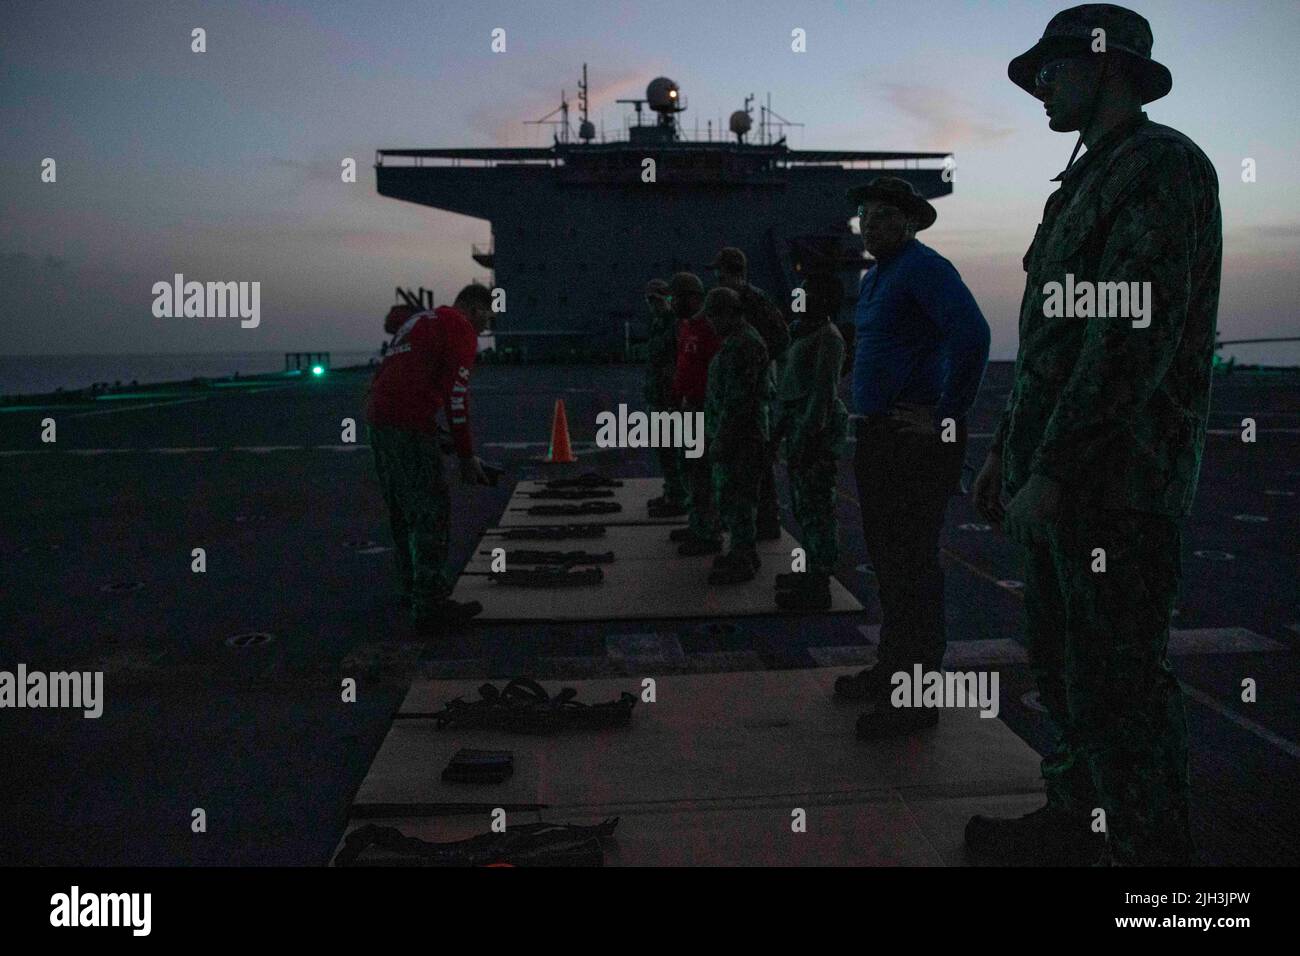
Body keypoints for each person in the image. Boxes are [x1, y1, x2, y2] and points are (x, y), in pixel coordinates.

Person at [966, 4, 1220, 867]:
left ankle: (1159, 879)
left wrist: (1061, 469)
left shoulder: (1161, 167)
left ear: (1105, 65)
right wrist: (1008, 450)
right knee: (1067, 673)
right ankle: (1076, 822)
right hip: (1061, 478)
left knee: (1120, 687)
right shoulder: (1085, 180)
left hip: (1116, 484)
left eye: (1055, 67)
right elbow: (1049, 345)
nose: (1040, 83)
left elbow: (1129, 336)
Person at [836, 175, 991, 740]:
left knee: (913, 567)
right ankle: (892, 672)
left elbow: (973, 333)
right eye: (865, 216)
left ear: (908, 222)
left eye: (882, 216)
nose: (870, 225)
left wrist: (946, 415)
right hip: (878, 438)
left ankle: (918, 697)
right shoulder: (878, 276)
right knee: (890, 562)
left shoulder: (925, 268)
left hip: (911, 442)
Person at [365, 284, 493, 631]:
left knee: (402, 510)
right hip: (406, 424)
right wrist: (466, 457)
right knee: (431, 510)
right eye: (487, 317)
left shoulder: (422, 320)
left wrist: (436, 436)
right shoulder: (460, 328)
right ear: (476, 308)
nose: (486, 326)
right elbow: (456, 398)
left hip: (380, 422)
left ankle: (410, 589)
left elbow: (396, 377)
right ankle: (431, 605)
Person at [772, 273, 850, 610]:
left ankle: (820, 584)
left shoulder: (829, 339)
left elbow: (822, 395)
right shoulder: (799, 332)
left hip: (813, 434)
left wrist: (805, 438)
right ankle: (810, 572)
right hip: (796, 426)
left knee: (818, 509)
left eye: (807, 294)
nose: (800, 299)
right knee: (804, 507)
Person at [710, 246, 790, 540]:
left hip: (755, 383)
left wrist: (759, 362)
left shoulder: (753, 301)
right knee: (752, 456)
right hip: (742, 377)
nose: (720, 277)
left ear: (735, 272)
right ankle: (760, 521)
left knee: (755, 455)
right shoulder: (736, 300)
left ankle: (764, 521)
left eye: (723, 272)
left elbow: (780, 338)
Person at [701, 287, 771, 585]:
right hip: (738, 435)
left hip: (741, 438)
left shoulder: (744, 345)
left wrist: (721, 439)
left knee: (737, 499)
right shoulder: (737, 341)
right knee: (735, 498)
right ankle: (744, 552)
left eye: (716, 316)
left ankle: (742, 559)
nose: (712, 323)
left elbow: (738, 401)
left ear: (731, 313)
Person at [666, 272, 723, 555]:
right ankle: (696, 524)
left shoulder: (708, 328)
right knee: (690, 470)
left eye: (675, 297)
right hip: (688, 407)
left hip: (703, 410)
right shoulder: (686, 326)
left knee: (702, 473)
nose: (672, 303)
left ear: (692, 297)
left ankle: (708, 532)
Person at [642, 278, 688, 518]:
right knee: (663, 449)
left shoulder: (675, 325)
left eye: (657, 299)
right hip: (657, 394)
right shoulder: (659, 324)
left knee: (673, 449)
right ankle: (671, 490)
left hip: (670, 397)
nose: (653, 305)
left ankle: (679, 496)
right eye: (650, 300)